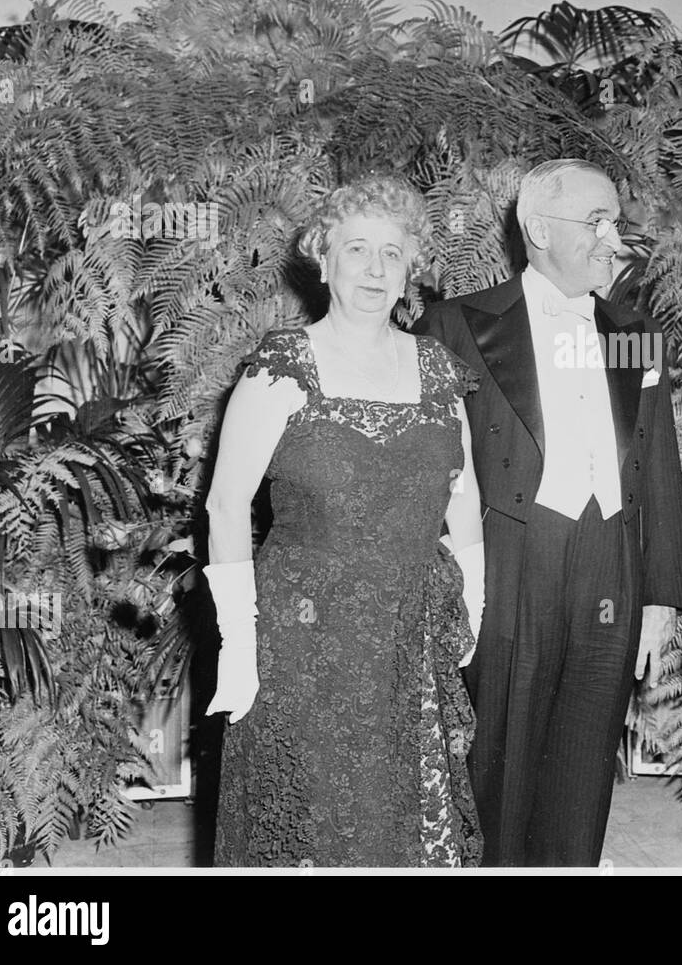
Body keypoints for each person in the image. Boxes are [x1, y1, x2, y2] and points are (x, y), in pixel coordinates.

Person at [205, 175, 486, 867]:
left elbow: (465, 499)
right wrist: (238, 646)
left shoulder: (439, 369)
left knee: (404, 824)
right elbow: (223, 503)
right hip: (300, 638)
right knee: (316, 823)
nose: (374, 268)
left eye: (393, 253)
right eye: (356, 249)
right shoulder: (281, 368)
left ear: (411, 270)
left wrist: (473, 607)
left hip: (408, 637)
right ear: (323, 261)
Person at [415, 158, 682, 866]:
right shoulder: (457, 324)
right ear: (538, 228)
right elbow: (425, 467)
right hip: (509, 563)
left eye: (616, 222)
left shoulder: (634, 332)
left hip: (610, 567)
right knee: (495, 764)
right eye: (594, 222)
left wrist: (661, 596)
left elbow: (658, 466)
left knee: (584, 765)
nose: (612, 239)